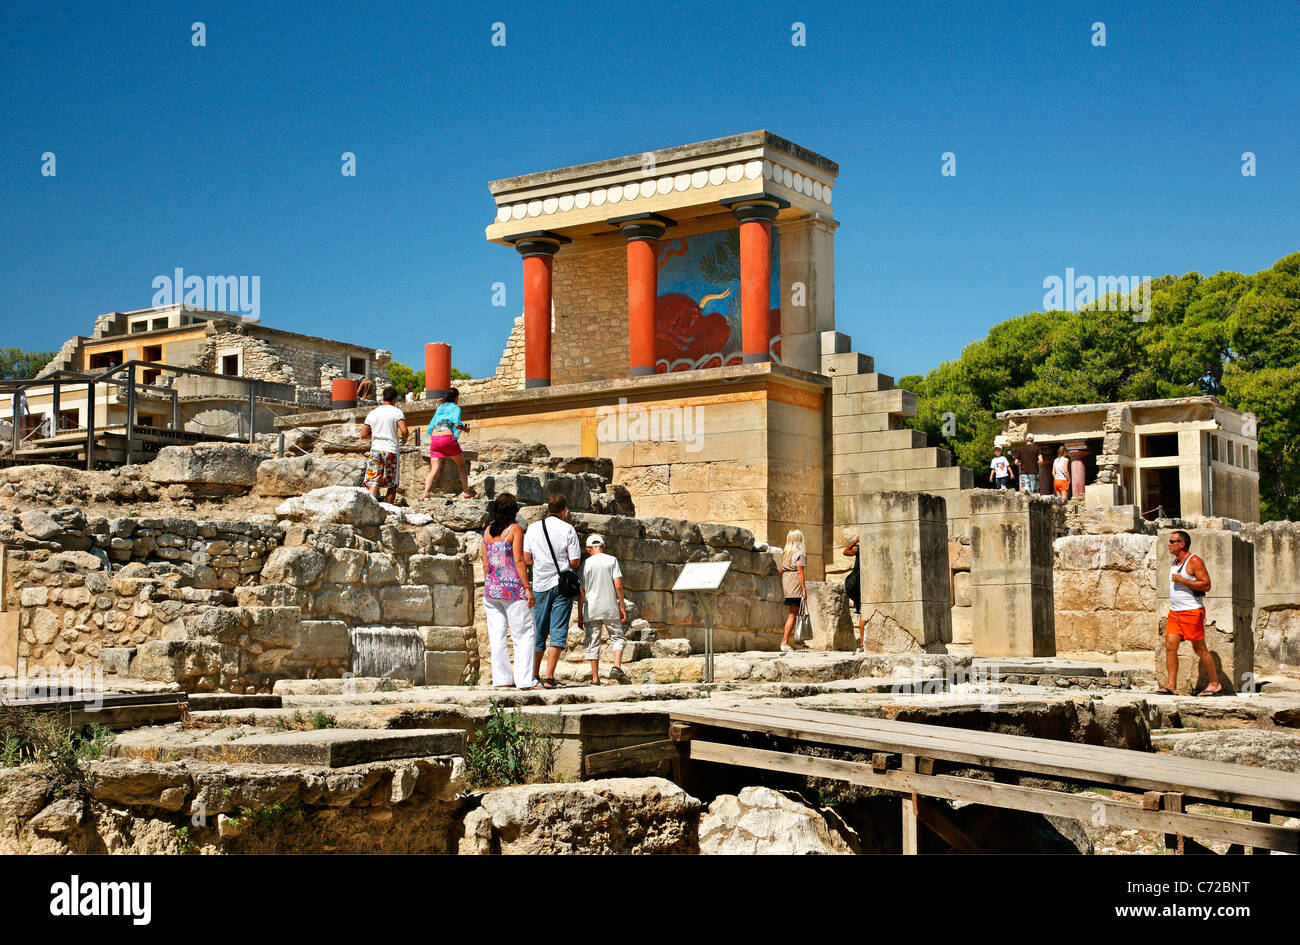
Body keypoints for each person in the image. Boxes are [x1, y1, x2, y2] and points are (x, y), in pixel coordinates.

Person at [480, 493, 540, 690]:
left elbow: (485, 563)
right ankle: (525, 680)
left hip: (492, 589)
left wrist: (492, 582)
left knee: (496, 635)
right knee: (523, 633)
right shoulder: (515, 529)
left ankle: (502, 679)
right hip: (513, 589)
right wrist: (527, 588)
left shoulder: (487, 530)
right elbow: (518, 561)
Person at [523, 493, 582, 689]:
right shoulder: (568, 529)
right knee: (558, 629)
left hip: (540, 584)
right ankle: (549, 677)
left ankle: (533, 674)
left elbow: (527, 558)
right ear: (564, 510)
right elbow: (574, 562)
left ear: (548, 509)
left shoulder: (532, 529)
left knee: (539, 630)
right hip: (562, 585)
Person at [1158, 530, 1223, 696]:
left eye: (1172, 541)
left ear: (1182, 544)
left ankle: (1215, 683)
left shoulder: (1193, 561)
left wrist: (1183, 581)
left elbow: (1206, 585)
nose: (1169, 544)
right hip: (1175, 612)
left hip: (1192, 611)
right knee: (1170, 646)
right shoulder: (1175, 563)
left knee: (1199, 649)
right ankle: (1172, 685)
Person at [576, 534, 628, 685]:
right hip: (610, 606)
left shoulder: (585, 564)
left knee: (592, 641)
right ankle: (617, 666)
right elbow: (618, 585)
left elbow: (581, 592)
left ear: (588, 549)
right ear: (604, 547)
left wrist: (580, 614)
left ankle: (595, 678)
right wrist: (622, 606)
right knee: (617, 637)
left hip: (591, 608)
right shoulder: (612, 560)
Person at [421, 388, 475, 500]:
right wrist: (465, 429)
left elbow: (434, 422)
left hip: (435, 440)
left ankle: (426, 493)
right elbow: (457, 424)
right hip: (447, 438)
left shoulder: (440, 407)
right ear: (456, 397)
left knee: (434, 469)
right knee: (461, 465)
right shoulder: (455, 408)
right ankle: (466, 492)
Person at [360, 386, 407, 504]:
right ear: (395, 399)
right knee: (392, 484)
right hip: (391, 450)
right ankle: (388, 510)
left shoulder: (373, 413)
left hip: (375, 450)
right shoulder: (396, 412)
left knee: (373, 481)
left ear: (383, 398)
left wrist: (375, 435)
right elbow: (404, 430)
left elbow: (363, 434)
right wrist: (404, 440)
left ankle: (372, 508)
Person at [778, 529, 807, 653]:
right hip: (795, 583)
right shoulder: (800, 552)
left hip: (787, 582)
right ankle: (784, 642)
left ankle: (798, 640)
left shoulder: (786, 553)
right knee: (793, 614)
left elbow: (780, 569)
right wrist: (804, 589)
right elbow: (800, 571)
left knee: (796, 612)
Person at [842, 530, 866, 650]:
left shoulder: (859, 549)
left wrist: (855, 540)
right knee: (864, 613)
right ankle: (862, 643)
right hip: (862, 583)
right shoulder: (862, 550)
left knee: (862, 613)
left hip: (857, 583)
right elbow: (845, 552)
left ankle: (862, 643)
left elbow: (846, 551)